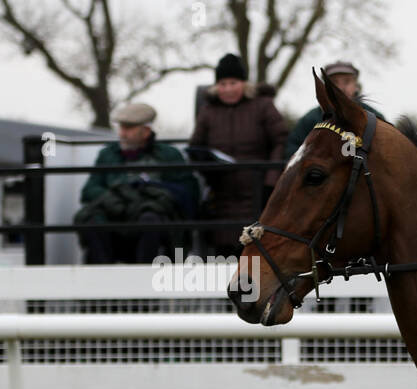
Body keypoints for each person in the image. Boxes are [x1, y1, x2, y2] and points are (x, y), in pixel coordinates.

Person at [75, 102, 198, 264]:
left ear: (146, 131)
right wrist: (117, 200)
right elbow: (90, 190)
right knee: (93, 220)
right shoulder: (107, 155)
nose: (122, 134)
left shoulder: (168, 155)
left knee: (150, 220)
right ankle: (101, 277)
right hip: (115, 216)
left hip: (149, 218)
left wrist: (145, 200)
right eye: (121, 128)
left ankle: (146, 275)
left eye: (128, 128)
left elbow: (187, 192)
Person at [189, 53, 287, 255]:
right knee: (222, 247)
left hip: (257, 189)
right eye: (222, 84)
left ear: (243, 83)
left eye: (233, 83)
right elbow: (196, 145)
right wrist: (207, 167)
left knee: (256, 244)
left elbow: (280, 140)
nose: (228, 89)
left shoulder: (263, 106)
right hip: (221, 190)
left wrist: (271, 179)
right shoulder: (208, 111)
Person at [285, 60, 387, 158]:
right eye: (334, 82)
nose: (341, 87)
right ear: (324, 87)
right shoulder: (310, 119)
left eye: (347, 81)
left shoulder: (374, 117)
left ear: (356, 86)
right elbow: (292, 149)